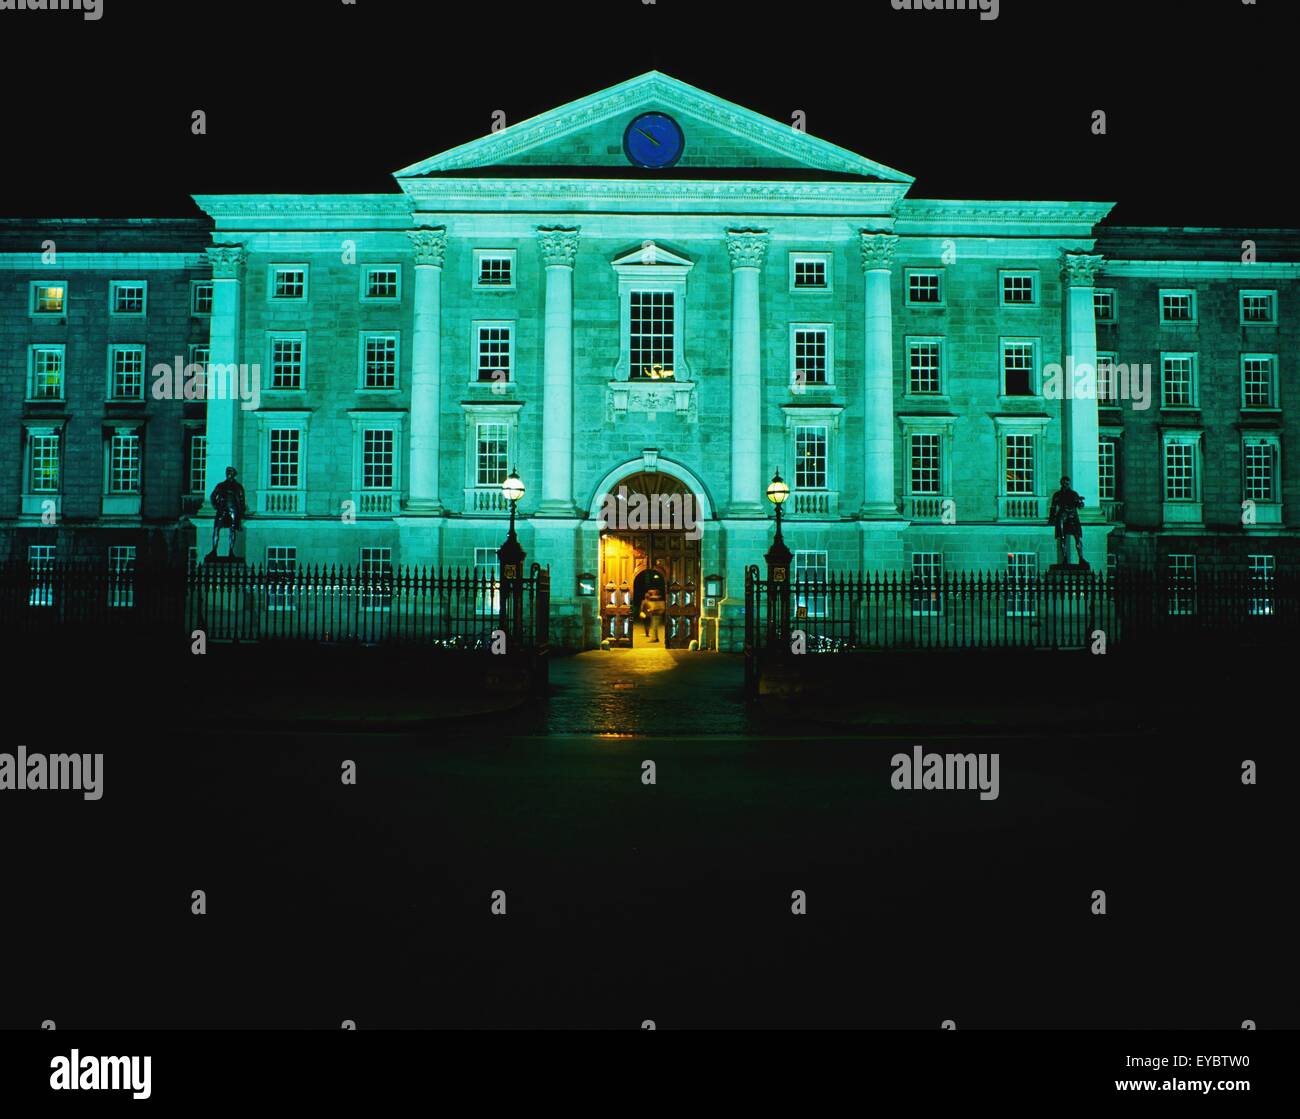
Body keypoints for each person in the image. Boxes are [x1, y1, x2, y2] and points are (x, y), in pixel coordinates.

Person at [209, 466, 247, 558]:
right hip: (222, 510)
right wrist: (216, 505)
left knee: (232, 530)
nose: (228, 473)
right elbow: (213, 496)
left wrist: (241, 513)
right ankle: (214, 550)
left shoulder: (238, 487)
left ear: (233, 474)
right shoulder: (221, 485)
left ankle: (231, 551)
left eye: (230, 472)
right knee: (216, 529)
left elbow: (241, 501)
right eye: (227, 472)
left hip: (233, 510)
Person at [1048, 475, 1086, 565]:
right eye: (1064, 483)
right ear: (1061, 483)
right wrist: (1051, 519)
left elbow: (1079, 506)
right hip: (1062, 517)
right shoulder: (1057, 494)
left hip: (1073, 517)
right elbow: (1053, 507)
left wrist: (1081, 502)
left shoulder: (1074, 494)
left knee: (1077, 538)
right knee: (1062, 538)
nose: (1066, 485)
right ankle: (1064, 558)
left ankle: (1081, 557)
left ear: (1069, 484)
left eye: (1067, 483)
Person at [631, 561, 666, 641]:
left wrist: (652, 610)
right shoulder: (653, 599)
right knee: (653, 626)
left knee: (654, 627)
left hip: (655, 614)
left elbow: (660, 607)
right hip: (653, 614)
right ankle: (654, 638)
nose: (651, 594)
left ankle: (654, 638)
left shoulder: (657, 600)